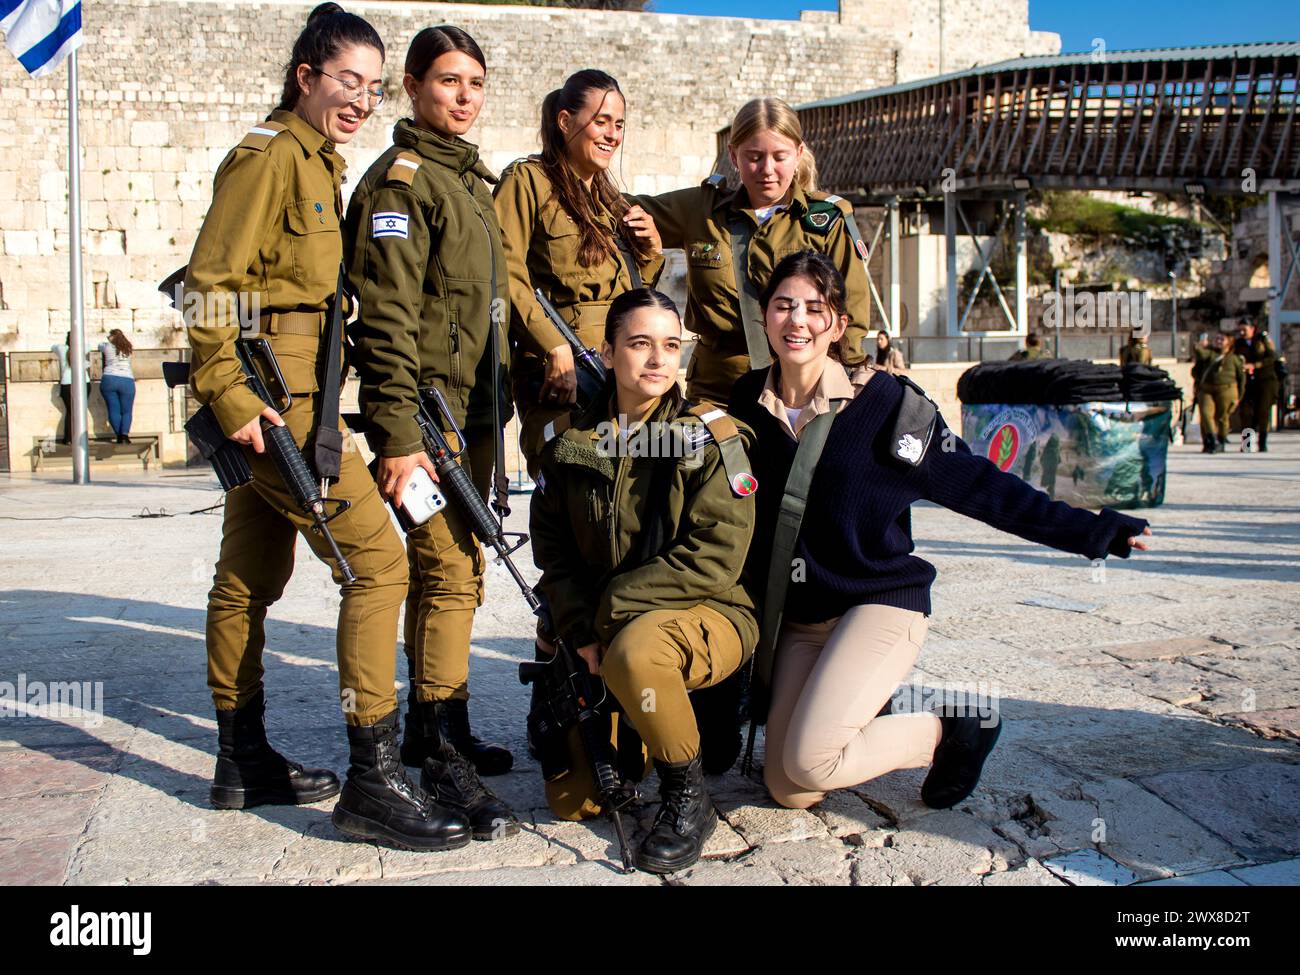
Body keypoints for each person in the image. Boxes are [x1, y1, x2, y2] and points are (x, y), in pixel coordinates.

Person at [185, 3, 470, 851]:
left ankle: (243, 758)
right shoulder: (271, 159)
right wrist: (231, 400)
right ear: (305, 76)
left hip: (291, 396)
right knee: (378, 564)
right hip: (276, 408)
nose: (361, 98)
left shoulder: (320, 165)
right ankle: (373, 776)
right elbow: (207, 284)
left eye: (374, 88)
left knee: (248, 575)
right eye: (348, 80)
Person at [729, 252, 1152, 813]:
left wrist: (1092, 531)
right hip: (803, 619)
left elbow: (980, 485)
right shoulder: (745, 405)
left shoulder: (890, 406)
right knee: (791, 789)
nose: (797, 321)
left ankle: (954, 727)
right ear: (765, 318)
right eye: (784, 306)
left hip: (879, 603)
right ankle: (859, 703)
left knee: (812, 761)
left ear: (837, 324)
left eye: (814, 308)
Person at [343, 25, 517, 840]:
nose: (463, 96)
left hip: (475, 417)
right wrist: (397, 434)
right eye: (447, 81)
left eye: (475, 83)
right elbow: (386, 320)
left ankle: (427, 722)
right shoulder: (401, 185)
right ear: (410, 88)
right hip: (427, 422)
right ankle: (441, 756)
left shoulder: (469, 182)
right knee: (446, 570)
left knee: (460, 568)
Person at [530, 288, 758, 873]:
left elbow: (715, 557)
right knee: (574, 799)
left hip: (709, 615)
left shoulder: (711, 435)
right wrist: (578, 631)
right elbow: (554, 554)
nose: (657, 360)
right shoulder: (566, 439)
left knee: (636, 652)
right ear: (606, 353)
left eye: (670, 345)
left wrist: (607, 615)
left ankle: (689, 797)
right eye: (639, 344)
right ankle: (648, 728)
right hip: (599, 635)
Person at [634, 97, 872, 408]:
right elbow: (612, 209)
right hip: (718, 393)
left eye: (780, 156)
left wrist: (846, 388)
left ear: (799, 153)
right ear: (733, 155)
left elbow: (850, 315)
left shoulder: (826, 221)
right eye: (754, 157)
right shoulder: (701, 210)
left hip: (800, 395)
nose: (767, 170)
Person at [493, 69, 663, 477]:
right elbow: (504, 273)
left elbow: (630, 293)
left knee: (623, 493)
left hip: (617, 372)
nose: (612, 135)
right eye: (601, 121)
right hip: (562, 376)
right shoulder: (528, 181)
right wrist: (554, 346)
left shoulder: (608, 199)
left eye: (619, 124)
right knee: (571, 485)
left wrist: (653, 251)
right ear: (565, 121)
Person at [1192, 332, 1244, 453]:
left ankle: (1222, 440)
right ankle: (1212, 440)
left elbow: (1241, 378)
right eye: (1217, 338)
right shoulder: (1210, 353)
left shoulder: (1235, 358)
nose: (1219, 341)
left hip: (1228, 390)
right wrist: (1199, 347)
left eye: (1222, 339)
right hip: (1208, 389)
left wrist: (1239, 395)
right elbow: (1198, 363)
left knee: (1223, 418)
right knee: (1206, 414)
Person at [1235, 319, 1279, 451]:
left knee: (1262, 411)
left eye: (1245, 329)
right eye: (1240, 330)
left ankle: (1262, 443)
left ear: (1252, 328)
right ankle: (1247, 444)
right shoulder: (1238, 343)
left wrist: (1255, 365)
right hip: (1248, 382)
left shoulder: (1262, 340)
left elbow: (1272, 357)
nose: (1242, 332)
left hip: (1265, 380)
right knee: (1247, 413)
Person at [98, 329, 136, 443]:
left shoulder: (107, 346)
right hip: (127, 380)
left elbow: (99, 345)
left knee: (113, 409)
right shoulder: (128, 348)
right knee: (127, 411)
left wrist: (109, 340)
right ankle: (124, 435)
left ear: (112, 336)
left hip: (109, 378)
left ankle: (118, 435)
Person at [51, 332, 87, 445]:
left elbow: (52, 347)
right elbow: (89, 345)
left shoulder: (62, 349)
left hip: (67, 383)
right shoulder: (83, 347)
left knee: (70, 412)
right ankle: (79, 438)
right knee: (79, 411)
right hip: (83, 382)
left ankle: (68, 438)